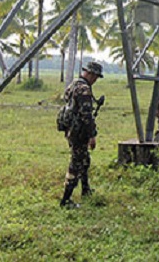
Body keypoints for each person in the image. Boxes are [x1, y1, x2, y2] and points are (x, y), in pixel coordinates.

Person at [60, 60, 103, 209]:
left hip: (71, 129)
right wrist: (92, 136)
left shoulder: (74, 84)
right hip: (79, 132)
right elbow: (86, 116)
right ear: (90, 74)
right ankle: (65, 200)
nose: (96, 80)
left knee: (85, 160)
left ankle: (85, 189)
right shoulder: (84, 89)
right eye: (96, 77)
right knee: (76, 164)